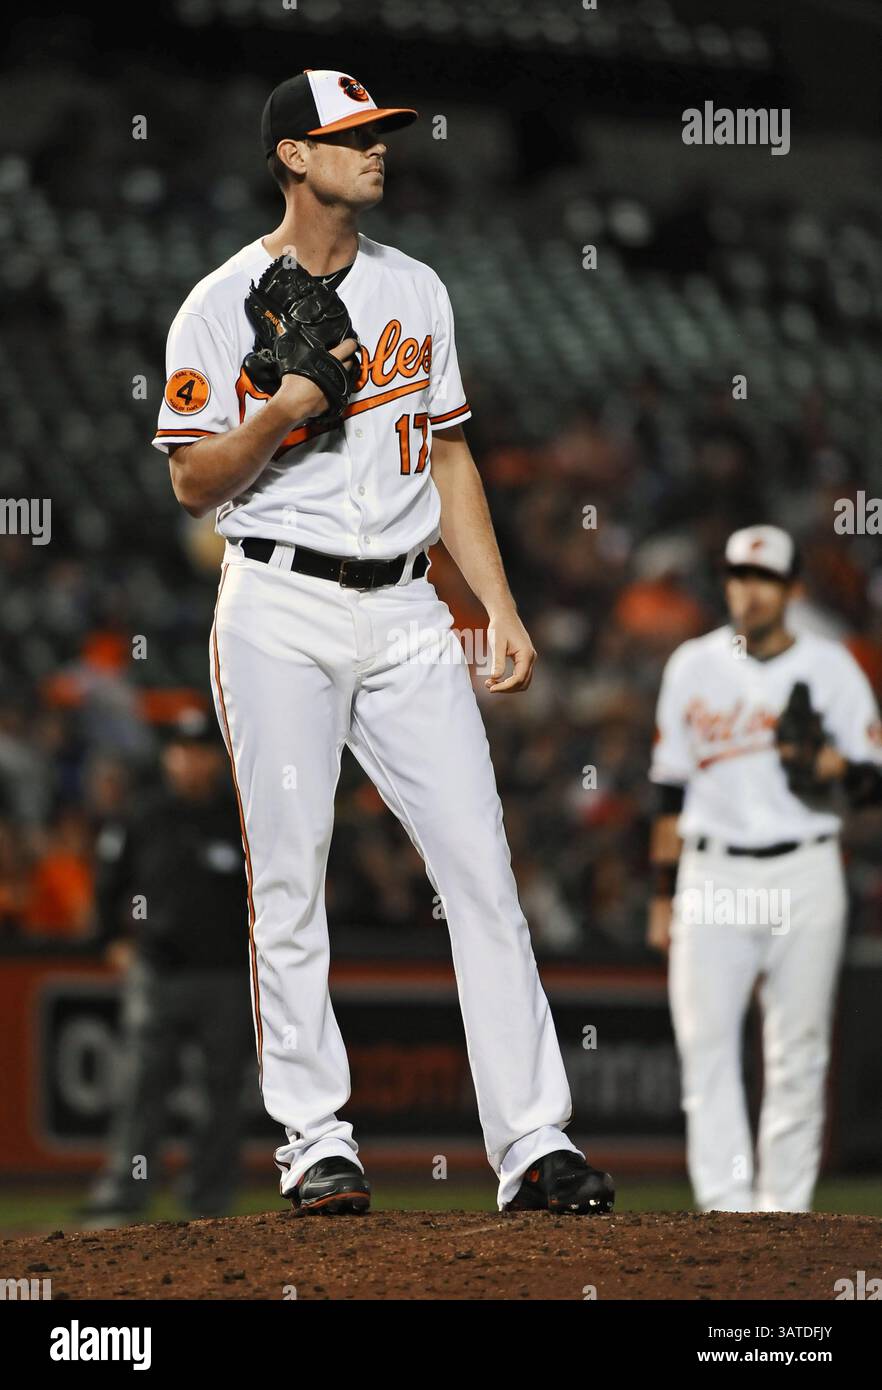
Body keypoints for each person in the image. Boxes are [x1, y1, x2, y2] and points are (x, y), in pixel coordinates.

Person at [152, 69, 614, 1216]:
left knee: (482, 871)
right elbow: (188, 478)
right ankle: (316, 1142)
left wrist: (494, 605)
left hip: (410, 609)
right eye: (352, 136)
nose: (379, 150)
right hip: (279, 606)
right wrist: (278, 409)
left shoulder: (416, 290)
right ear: (293, 157)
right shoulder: (218, 303)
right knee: (290, 875)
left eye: (380, 134)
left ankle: (533, 1142)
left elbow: (450, 457)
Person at [648, 524, 882, 1212]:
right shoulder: (692, 664)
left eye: (764, 579)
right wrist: (662, 898)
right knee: (706, 1045)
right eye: (737, 576)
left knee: (798, 1051)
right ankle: (725, 1209)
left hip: (805, 867)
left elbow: (873, 783)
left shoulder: (831, 666)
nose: (747, 591)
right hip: (711, 873)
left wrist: (831, 765)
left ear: (792, 589)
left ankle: (784, 1214)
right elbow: (669, 790)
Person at [84, 708, 252, 1222]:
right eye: (181, 751)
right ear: (168, 757)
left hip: (225, 975)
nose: (191, 761)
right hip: (156, 972)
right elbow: (108, 887)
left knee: (221, 1092)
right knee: (140, 1088)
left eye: (201, 751)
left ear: (216, 759)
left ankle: (208, 1200)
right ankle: (123, 1195)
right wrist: (111, 939)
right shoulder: (144, 815)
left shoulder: (238, 815)